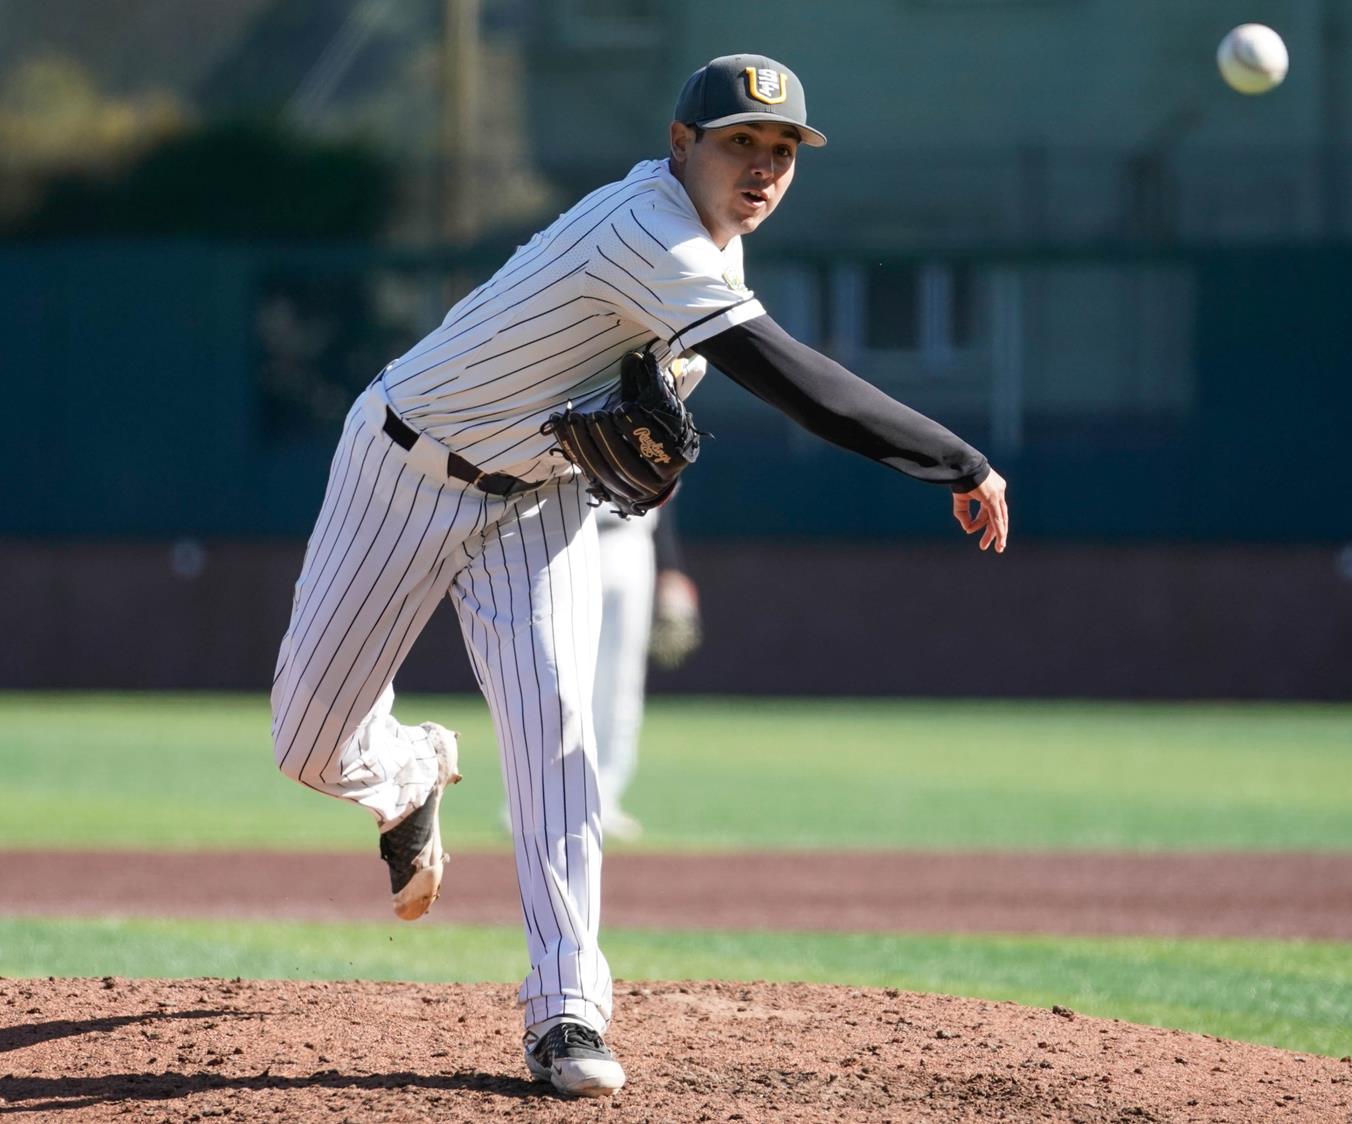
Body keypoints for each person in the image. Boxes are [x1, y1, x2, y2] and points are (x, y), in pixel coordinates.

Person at [268, 52, 1009, 1099]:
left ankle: (566, 1007)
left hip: (539, 498)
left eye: (782, 150)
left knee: (559, 729)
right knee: (306, 746)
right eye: (738, 143)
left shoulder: (708, 256)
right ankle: (409, 769)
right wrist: (957, 458)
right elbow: (794, 382)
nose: (761, 167)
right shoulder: (648, 234)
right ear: (679, 145)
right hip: (404, 464)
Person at [591, 493, 701, 842]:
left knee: (623, 682)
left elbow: (663, 487)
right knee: (559, 678)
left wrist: (671, 566)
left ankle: (605, 798)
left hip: (632, 542)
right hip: (568, 538)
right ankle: (531, 801)